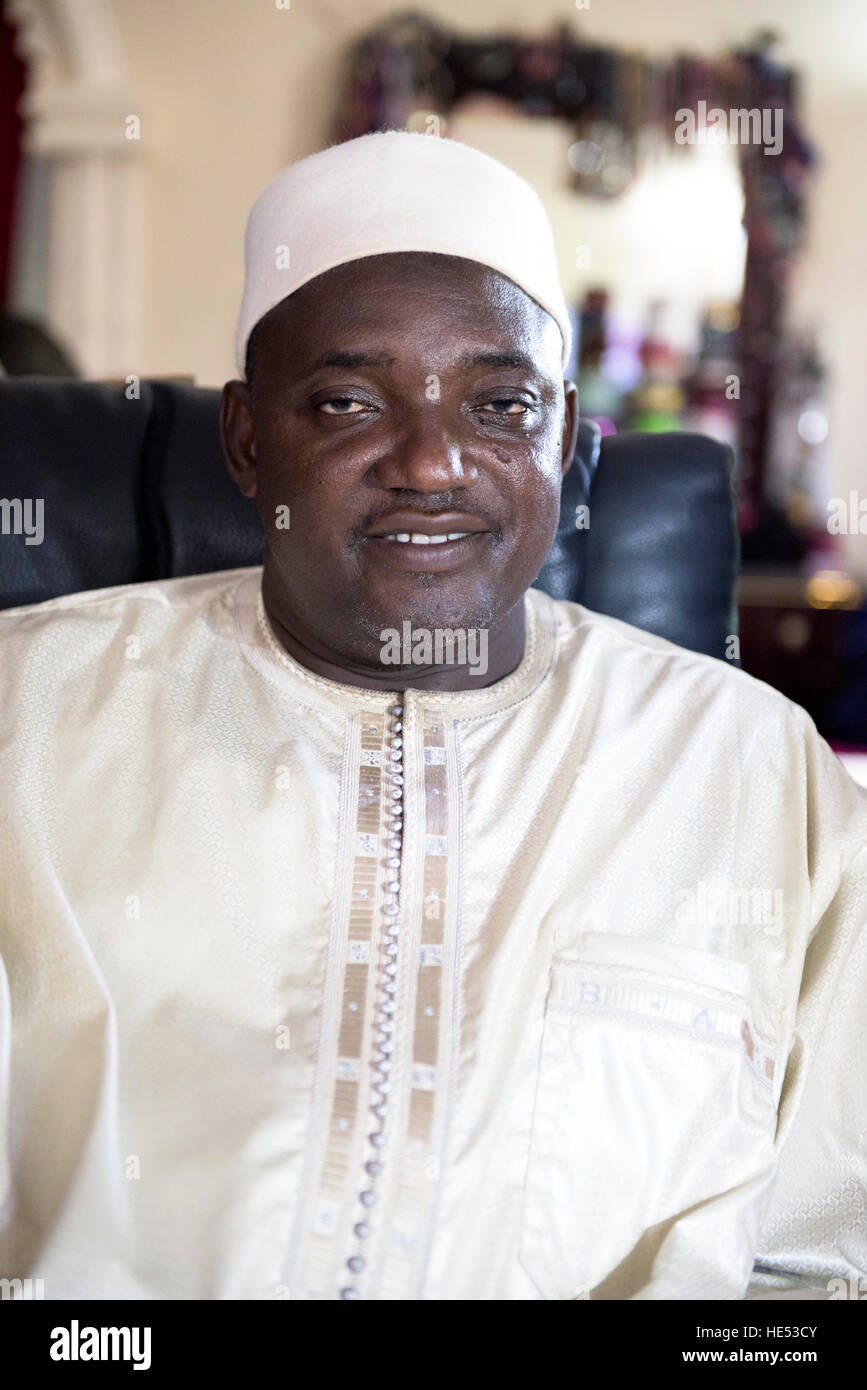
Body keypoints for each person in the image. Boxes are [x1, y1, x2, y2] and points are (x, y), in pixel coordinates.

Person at [0, 130, 865, 1302]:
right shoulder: (30, 714)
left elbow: (822, 1267)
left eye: (499, 402)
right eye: (349, 401)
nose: (431, 461)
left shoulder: (754, 773)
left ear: (561, 437)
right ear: (250, 440)